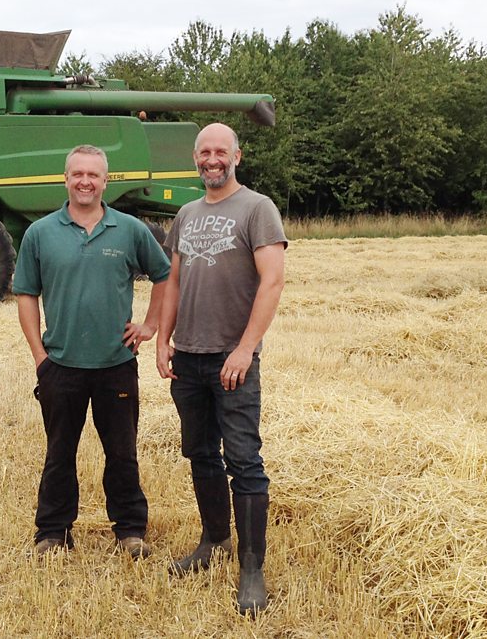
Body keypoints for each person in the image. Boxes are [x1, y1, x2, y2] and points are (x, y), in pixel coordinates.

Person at [14, 144, 171, 559]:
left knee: (122, 452)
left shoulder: (130, 230)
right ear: (65, 179)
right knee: (59, 452)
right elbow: (26, 294)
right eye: (77, 174)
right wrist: (39, 357)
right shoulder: (40, 233)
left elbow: (164, 275)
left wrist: (150, 326)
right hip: (60, 366)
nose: (85, 181)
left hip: (116, 365)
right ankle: (53, 531)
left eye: (93, 175)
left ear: (106, 180)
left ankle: (130, 530)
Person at [156, 123, 287, 615]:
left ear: (238, 155)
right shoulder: (186, 214)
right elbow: (172, 282)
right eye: (204, 152)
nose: (213, 159)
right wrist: (164, 341)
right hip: (188, 358)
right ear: (196, 158)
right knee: (200, 454)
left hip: (233, 360)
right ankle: (214, 541)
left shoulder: (257, 208)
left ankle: (252, 569)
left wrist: (245, 349)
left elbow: (272, 282)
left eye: (221, 152)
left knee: (244, 461)